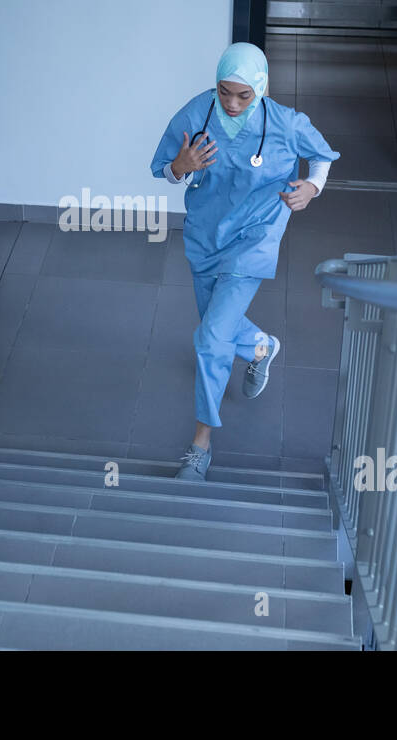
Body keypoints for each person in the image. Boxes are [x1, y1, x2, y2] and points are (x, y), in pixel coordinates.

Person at [150, 42, 339, 481]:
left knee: (210, 339)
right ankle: (261, 347)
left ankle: (199, 446)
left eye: (243, 95)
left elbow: (323, 158)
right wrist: (181, 165)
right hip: (205, 234)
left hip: (256, 236)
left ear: (261, 88)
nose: (232, 104)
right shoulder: (198, 114)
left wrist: (311, 189)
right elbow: (163, 167)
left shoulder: (286, 124)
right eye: (224, 92)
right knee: (217, 327)